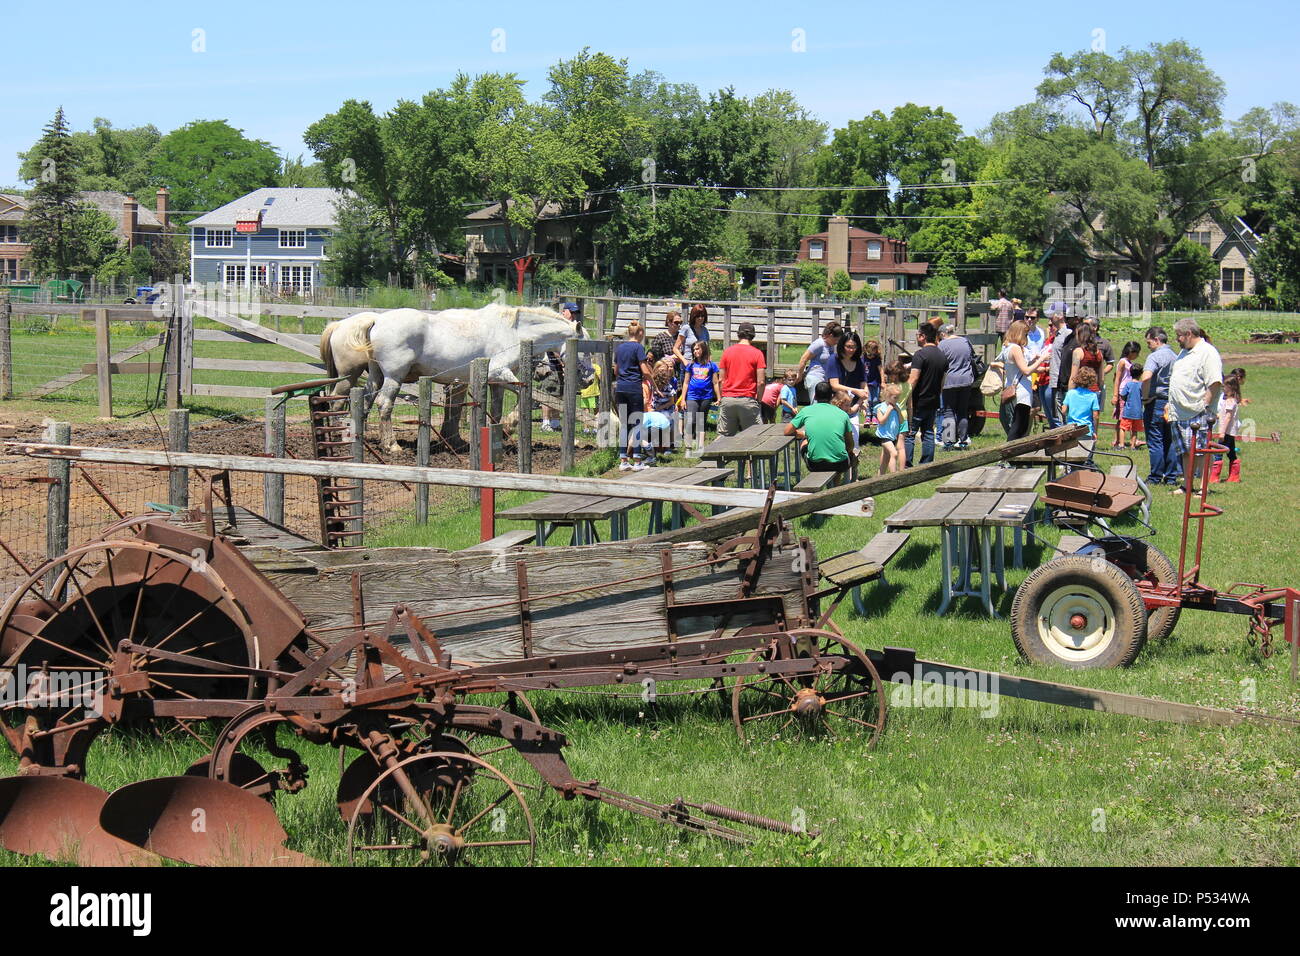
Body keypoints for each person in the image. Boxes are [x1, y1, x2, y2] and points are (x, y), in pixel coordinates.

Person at [1167, 318, 1223, 494]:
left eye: (1179, 336)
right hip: (1180, 411)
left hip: (1197, 411)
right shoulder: (1185, 352)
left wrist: (1204, 404)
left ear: (1189, 334)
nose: (1177, 339)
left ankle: (1203, 488)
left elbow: (1214, 381)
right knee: (1185, 451)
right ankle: (1187, 486)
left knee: (1200, 451)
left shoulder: (1207, 352)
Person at [785, 381, 855, 481]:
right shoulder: (842, 414)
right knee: (840, 452)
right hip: (840, 464)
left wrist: (803, 435)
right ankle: (835, 486)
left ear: (815, 396)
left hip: (815, 465)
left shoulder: (806, 411)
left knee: (805, 442)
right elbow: (850, 443)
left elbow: (787, 431)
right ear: (831, 396)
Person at [990, 320, 1048, 441]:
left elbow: (1018, 367)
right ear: (1020, 333)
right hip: (1021, 393)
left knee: (1017, 427)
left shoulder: (1007, 347)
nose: (1026, 338)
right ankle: (1009, 456)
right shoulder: (1015, 348)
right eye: (1025, 334)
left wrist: (1034, 362)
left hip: (1012, 388)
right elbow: (1026, 371)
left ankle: (1012, 457)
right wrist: (1041, 359)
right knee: (1019, 429)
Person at [1138, 327, 1181, 486]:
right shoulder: (1175, 356)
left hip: (1156, 402)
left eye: (1149, 342)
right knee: (1170, 441)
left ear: (1156, 340)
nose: (1148, 345)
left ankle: (1155, 476)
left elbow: (1146, 377)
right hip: (1171, 403)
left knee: (1155, 440)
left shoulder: (1154, 356)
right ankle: (1171, 477)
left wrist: (1145, 397)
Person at [903, 323, 948, 467]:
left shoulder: (920, 354)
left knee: (910, 433)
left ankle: (907, 465)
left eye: (917, 335)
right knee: (928, 432)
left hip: (918, 400)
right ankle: (927, 464)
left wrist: (904, 396)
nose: (917, 338)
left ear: (922, 336)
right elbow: (942, 380)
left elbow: (914, 378)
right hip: (933, 400)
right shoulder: (942, 355)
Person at [614, 321, 654, 471]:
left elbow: (616, 371)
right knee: (637, 424)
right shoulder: (638, 347)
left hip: (621, 389)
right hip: (634, 388)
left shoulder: (619, 348)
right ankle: (637, 461)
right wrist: (652, 383)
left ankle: (623, 460)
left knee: (625, 424)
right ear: (640, 333)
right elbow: (645, 370)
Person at [540, 301, 586, 431]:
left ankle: (555, 421)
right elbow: (554, 348)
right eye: (571, 313)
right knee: (548, 393)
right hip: (551, 364)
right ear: (564, 312)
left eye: (575, 313)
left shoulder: (572, 327)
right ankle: (546, 422)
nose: (573, 316)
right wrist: (564, 364)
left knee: (559, 393)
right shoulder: (557, 327)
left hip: (563, 365)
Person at [717, 322, 766, 437]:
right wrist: (758, 401)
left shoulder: (727, 352)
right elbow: (761, 382)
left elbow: (721, 380)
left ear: (738, 335)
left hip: (728, 399)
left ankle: (714, 454)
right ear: (753, 336)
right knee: (755, 437)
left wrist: (722, 398)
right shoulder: (758, 354)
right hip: (747, 400)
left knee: (723, 437)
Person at [937, 324, 975, 450]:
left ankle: (948, 442)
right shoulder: (965, 341)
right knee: (962, 412)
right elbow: (971, 357)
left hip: (949, 381)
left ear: (943, 334)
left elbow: (940, 363)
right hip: (966, 380)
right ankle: (963, 440)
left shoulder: (943, 345)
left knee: (948, 412)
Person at [678, 339, 720, 448]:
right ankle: (688, 445)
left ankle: (701, 445)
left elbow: (715, 382)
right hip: (692, 396)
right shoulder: (690, 366)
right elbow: (686, 383)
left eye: (697, 349)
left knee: (701, 420)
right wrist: (683, 399)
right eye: (693, 350)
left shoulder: (711, 366)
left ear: (703, 349)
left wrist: (718, 397)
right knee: (691, 419)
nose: (695, 351)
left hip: (706, 396)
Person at [1211, 373, 1243, 483]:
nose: (1223, 389)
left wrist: (1222, 433)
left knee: (1219, 452)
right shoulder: (1229, 400)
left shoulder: (1230, 401)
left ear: (1231, 387)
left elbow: (1228, 418)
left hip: (1226, 432)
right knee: (1231, 453)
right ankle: (1234, 476)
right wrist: (1217, 415)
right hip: (1230, 432)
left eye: (1224, 386)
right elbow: (1224, 414)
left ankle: (1214, 476)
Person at [796, 321, 843, 398]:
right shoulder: (819, 344)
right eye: (836, 340)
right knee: (816, 404)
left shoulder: (830, 346)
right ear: (830, 336)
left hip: (824, 379)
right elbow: (804, 359)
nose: (836, 342)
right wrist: (800, 375)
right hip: (815, 377)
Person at [1112, 341, 1144, 449]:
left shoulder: (1129, 362)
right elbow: (1117, 378)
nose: (1137, 355)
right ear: (1131, 352)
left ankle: (1124, 441)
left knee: (1126, 418)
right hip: (1123, 393)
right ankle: (1117, 441)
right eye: (1136, 353)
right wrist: (1115, 395)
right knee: (1122, 418)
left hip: (1130, 392)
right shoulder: (1123, 362)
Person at [874, 383, 904, 475]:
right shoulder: (881, 407)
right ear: (887, 396)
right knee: (894, 453)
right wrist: (888, 410)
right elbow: (881, 421)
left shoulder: (896, 406)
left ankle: (879, 478)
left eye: (898, 397)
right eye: (895, 397)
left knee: (885, 459)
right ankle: (893, 477)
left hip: (892, 436)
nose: (897, 400)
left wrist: (898, 411)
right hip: (884, 435)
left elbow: (901, 421)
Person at [1062, 365, 1101, 437]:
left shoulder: (1070, 393)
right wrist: (1095, 431)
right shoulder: (1093, 396)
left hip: (1071, 429)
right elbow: (1095, 416)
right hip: (1086, 430)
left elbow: (1063, 411)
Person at [1118, 367, 1145, 452]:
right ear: (1141, 374)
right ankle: (1132, 446)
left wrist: (1126, 399)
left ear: (1130, 373)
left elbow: (1122, 395)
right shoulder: (1141, 385)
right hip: (1138, 412)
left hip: (1128, 411)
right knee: (1135, 429)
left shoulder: (1128, 384)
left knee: (1123, 428)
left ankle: (1121, 445)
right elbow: (1144, 396)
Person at [863, 339, 883, 409]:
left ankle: (875, 414)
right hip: (866, 382)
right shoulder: (863, 358)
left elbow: (881, 370)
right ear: (866, 348)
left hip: (875, 382)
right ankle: (868, 414)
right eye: (871, 349)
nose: (873, 351)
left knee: (875, 399)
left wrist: (883, 382)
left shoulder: (876, 359)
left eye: (874, 349)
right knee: (868, 399)